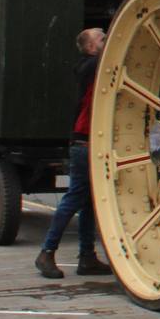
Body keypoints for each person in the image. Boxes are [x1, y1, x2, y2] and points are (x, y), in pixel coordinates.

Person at [37, 28, 115, 280]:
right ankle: (46, 252)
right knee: (74, 198)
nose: (107, 38)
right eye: (102, 38)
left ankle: (87, 257)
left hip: (89, 144)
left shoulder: (90, 66)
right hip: (84, 145)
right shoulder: (92, 66)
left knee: (89, 203)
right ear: (92, 49)